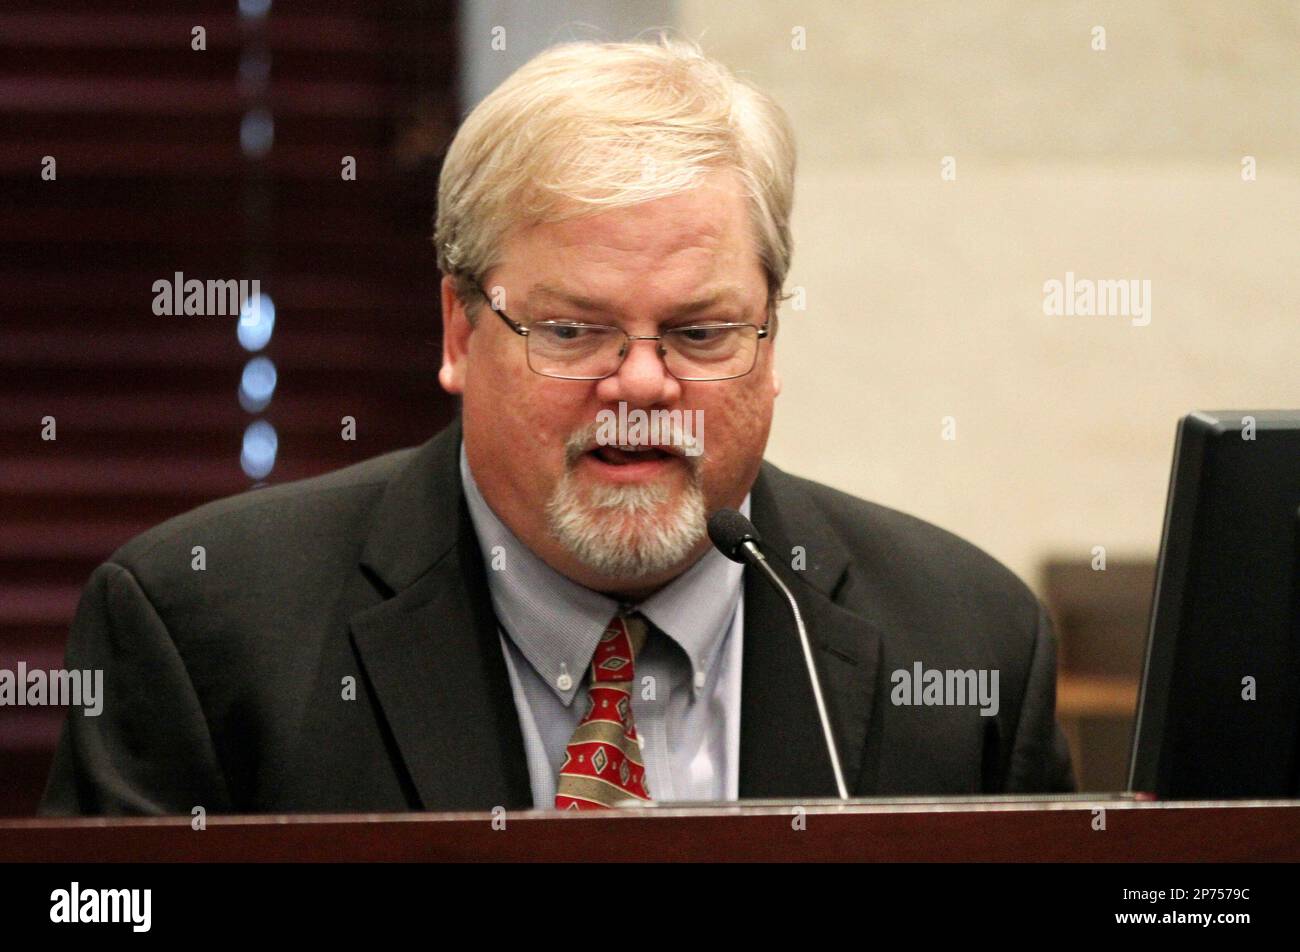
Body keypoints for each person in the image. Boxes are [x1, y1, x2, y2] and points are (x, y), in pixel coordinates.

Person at [41, 36, 1073, 816]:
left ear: (769, 335)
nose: (640, 385)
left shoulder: (967, 642)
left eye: (701, 332)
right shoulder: (204, 632)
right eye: (574, 329)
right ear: (458, 328)